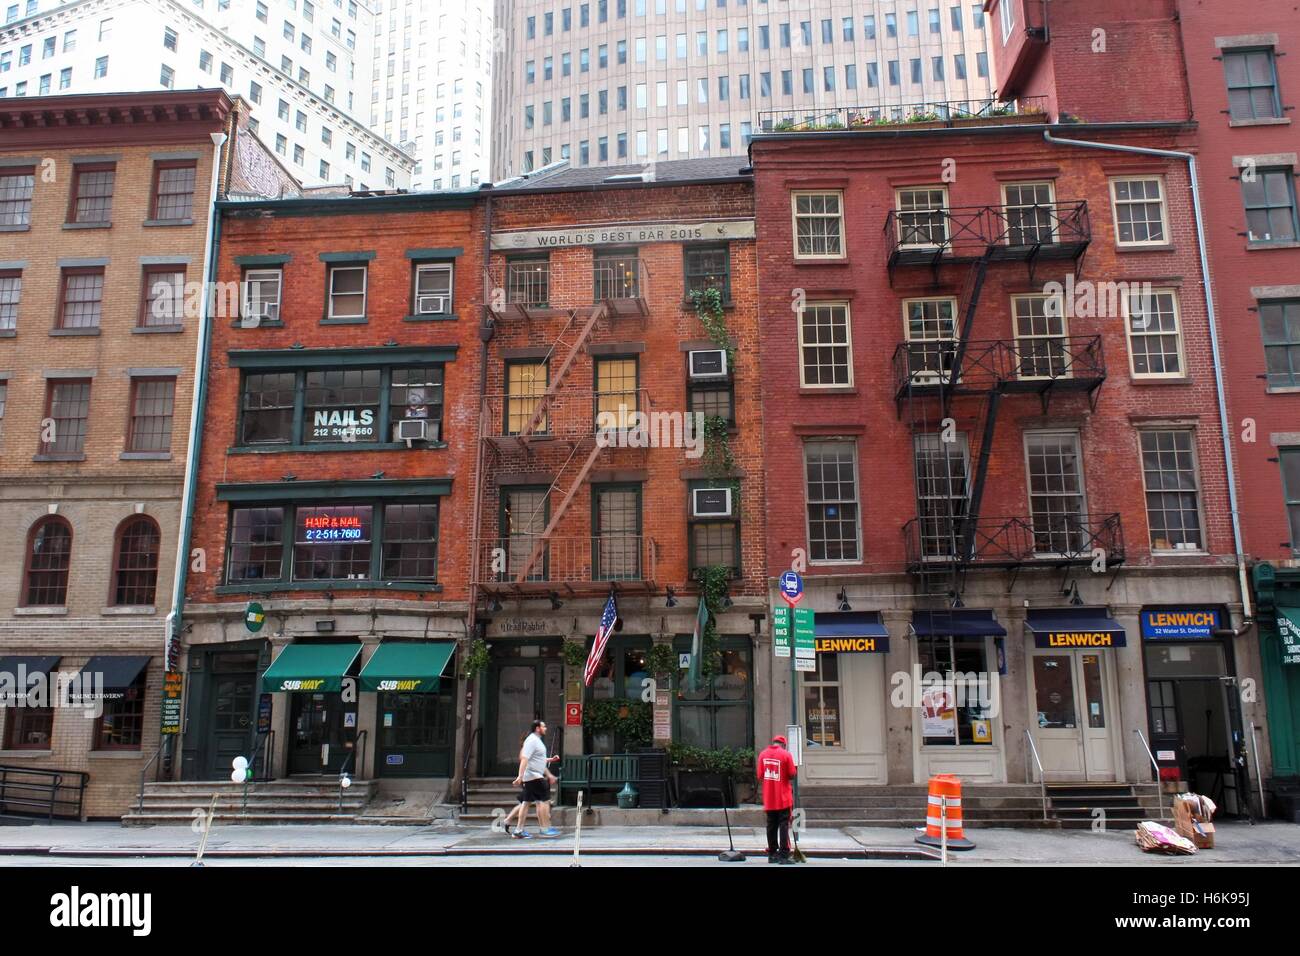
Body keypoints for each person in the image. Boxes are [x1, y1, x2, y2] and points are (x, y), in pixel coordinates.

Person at [513, 718, 560, 837]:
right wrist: (520, 776)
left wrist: (550, 760)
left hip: (532, 776)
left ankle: (518, 831)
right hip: (534, 776)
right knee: (544, 801)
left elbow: (537, 759)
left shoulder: (537, 740)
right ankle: (545, 829)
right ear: (538, 728)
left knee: (526, 802)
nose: (545, 728)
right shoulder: (532, 740)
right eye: (543, 726)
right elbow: (525, 758)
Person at [756, 734, 798, 864]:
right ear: (784, 745)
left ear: (773, 742)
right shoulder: (786, 755)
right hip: (783, 797)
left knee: (771, 825)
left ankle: (772, 854)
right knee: (783, 824)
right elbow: (792, 774)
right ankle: (784, 854)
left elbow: (760, 775)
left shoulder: (762, 754)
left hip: (769, 797)